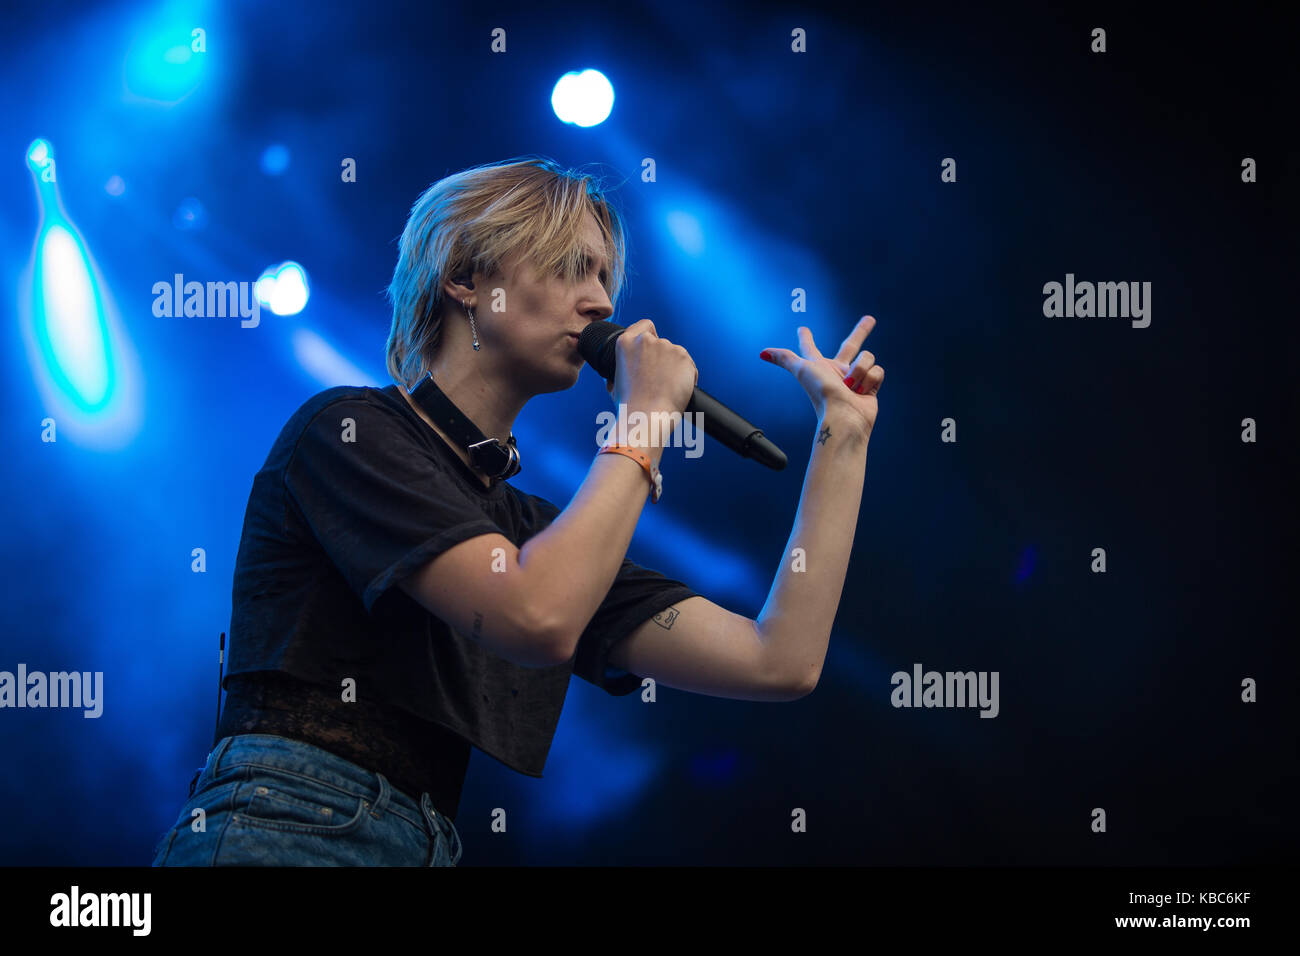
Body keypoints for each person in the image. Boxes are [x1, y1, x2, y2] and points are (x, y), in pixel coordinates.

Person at [150, 155, 884, 867]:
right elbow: (537, 617)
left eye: (603, 277)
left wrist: (843, 438)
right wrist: (642, 423)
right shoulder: (347, 431)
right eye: (570, 268)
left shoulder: (536, 535)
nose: (601, 303)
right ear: (466, 279)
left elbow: (779, 660)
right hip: (289, 825)